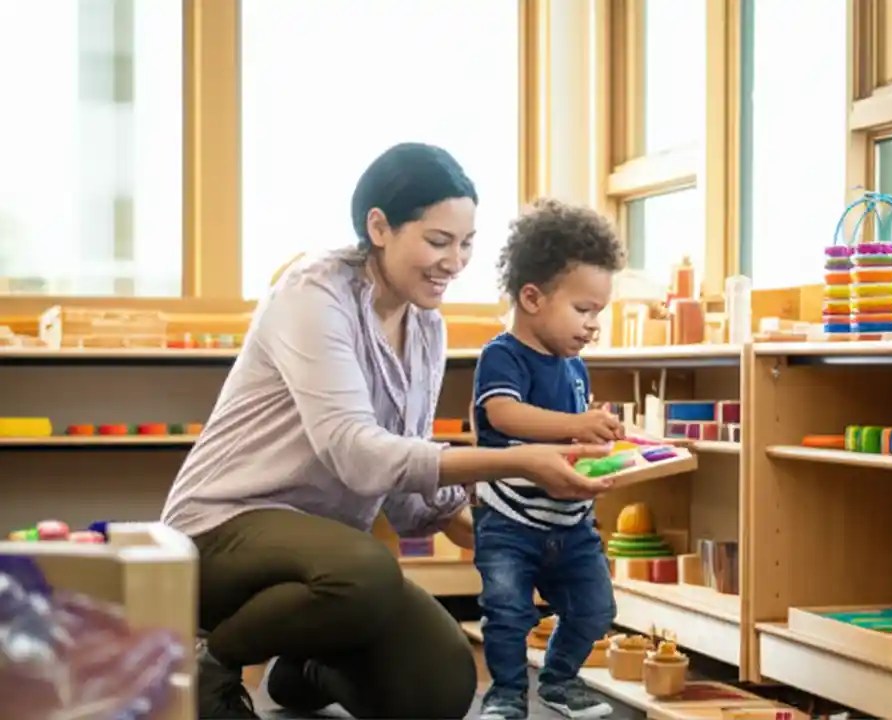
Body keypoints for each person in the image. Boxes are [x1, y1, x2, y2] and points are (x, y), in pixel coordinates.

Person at [160, 143, 614, 720]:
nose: (455, 261)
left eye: (467, 243)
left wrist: (505, 537)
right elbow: (358, 455)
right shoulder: (313, 294)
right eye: (438, 241)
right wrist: (521, 461)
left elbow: (404, 484)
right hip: (222, 532)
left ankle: (303, 669)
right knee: (366, 572)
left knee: (440, 689)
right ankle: (213, 665)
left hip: (326, 564)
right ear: (380, 227)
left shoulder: (426, 326)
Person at [471, 198, 627, 720]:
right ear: (532, 297)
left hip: (571, 521)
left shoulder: (574, 366)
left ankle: (559, 681)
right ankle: (506, 696)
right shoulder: (503, 356)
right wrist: (577, 427)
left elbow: (575, 445)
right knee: (508, 612)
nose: (591, 326)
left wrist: (609, 454)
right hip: (510, 523)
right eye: (583, 311)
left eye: (597, 314)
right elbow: (505, 415)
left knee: (596, 608)